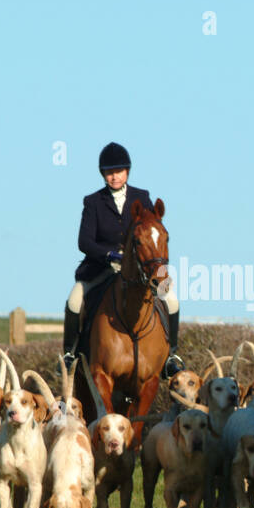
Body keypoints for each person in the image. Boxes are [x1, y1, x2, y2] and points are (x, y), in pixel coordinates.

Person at [63, 142, 184, 379]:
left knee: (172, 299)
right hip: (102, 267)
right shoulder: (93, 202)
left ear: (127, 172)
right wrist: (108, 254)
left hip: (142, 266)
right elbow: (84, 242)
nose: (114, 176)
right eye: (109, 172)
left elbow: (151, 231)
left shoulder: (142, 197)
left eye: (118, 171)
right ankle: (70, 354)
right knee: (75, 300)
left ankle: (172, 357)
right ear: (103, 174)